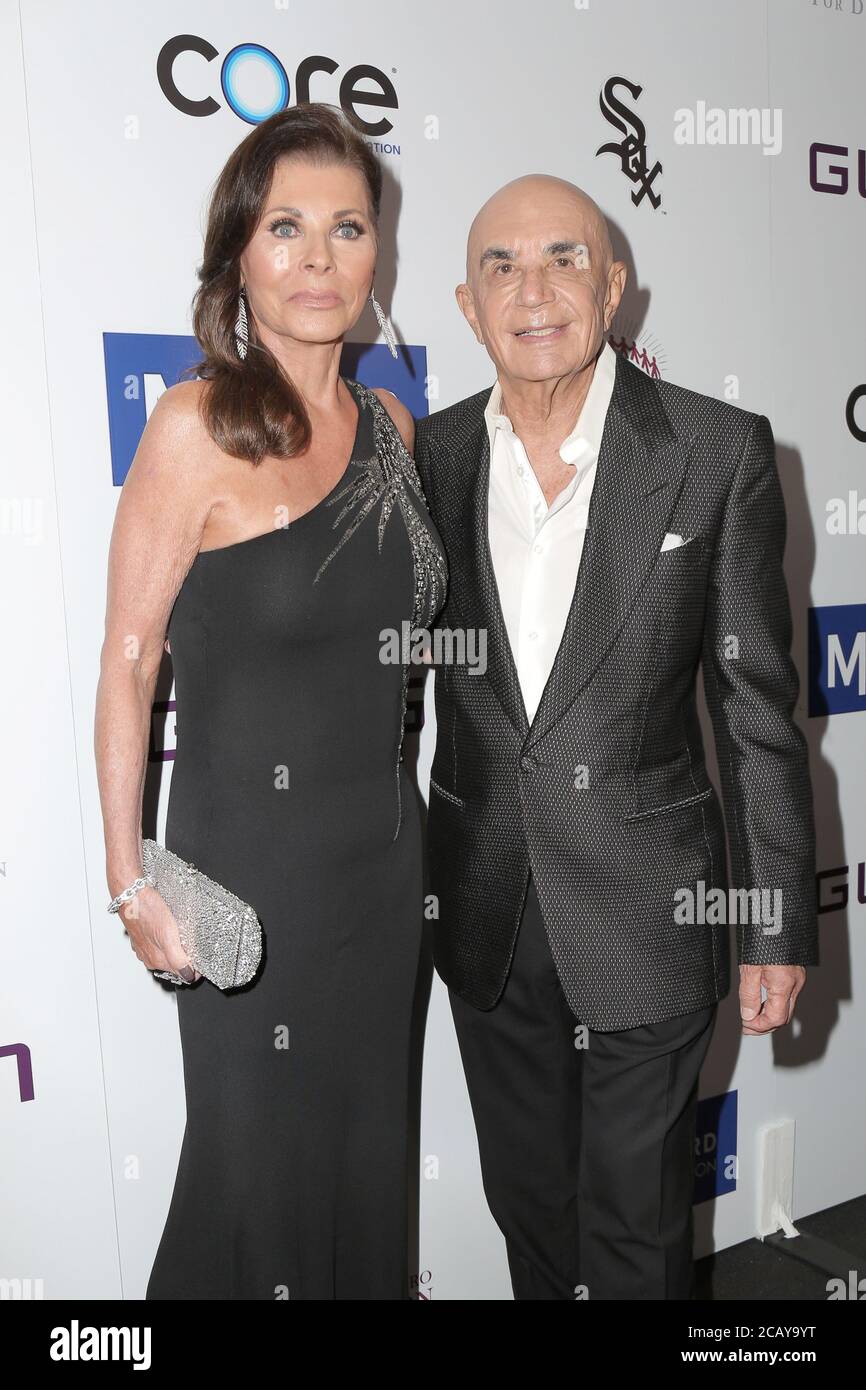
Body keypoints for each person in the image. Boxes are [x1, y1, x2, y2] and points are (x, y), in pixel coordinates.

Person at [413, 173, 818, 1300]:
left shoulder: (713, 448)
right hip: (486, 903)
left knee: (634, 1231)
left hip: (650, 908)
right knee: (530, 1215)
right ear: (463, 300)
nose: (531, 290)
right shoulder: (427, 459)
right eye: (500, 265)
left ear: (614, 285)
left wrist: (773, 923)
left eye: (562, 259)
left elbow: (752, 709)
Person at [94, 102, 447, 1301]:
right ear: (239, 249)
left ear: (375, 258)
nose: (317, 257)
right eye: (286, 226)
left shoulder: (393, 427)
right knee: (248, 1182)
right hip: (247, 876)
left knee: (365, 1169)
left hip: (379, 868)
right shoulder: (195, 427)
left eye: (347, 229)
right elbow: (128, 663)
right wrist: (129, 881)